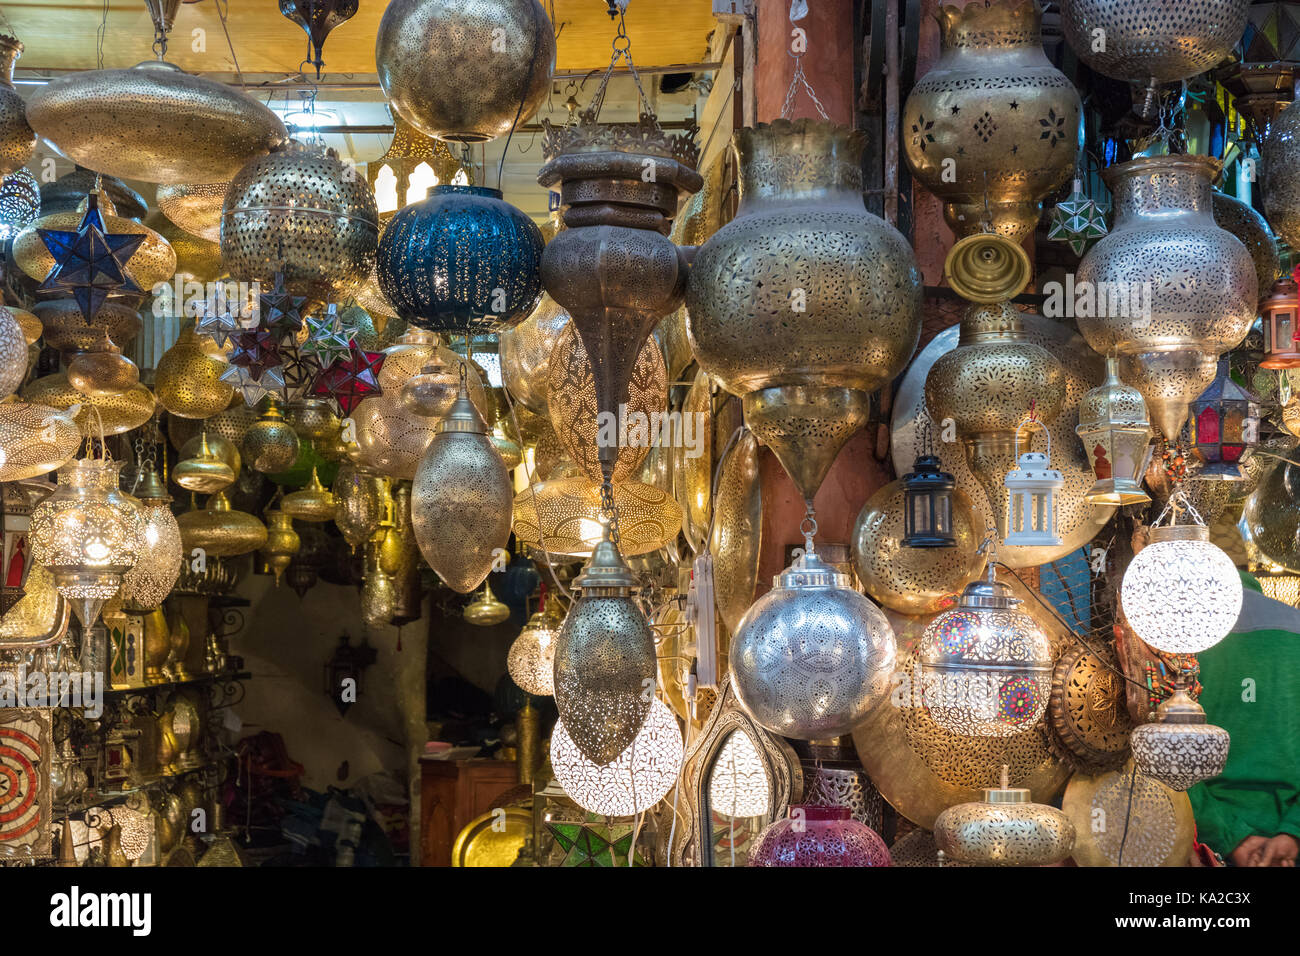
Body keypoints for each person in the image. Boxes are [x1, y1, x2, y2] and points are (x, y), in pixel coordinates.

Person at [1188, 572, 1300, 866]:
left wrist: (1233, 837)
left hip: (1202, 845)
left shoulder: (1175, 637)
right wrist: (1292, 834)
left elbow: (1165, 763)